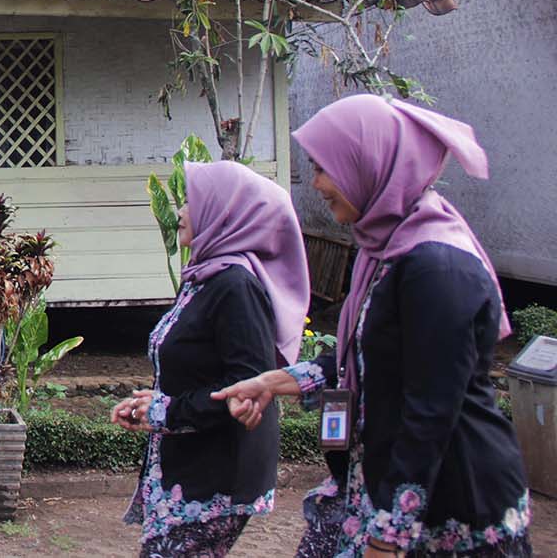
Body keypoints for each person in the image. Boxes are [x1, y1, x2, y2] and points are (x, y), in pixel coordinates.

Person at [213, 95, 532, 558]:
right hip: (383, 495)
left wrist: (388, 536)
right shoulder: (384, 249)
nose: (317, 184)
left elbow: (430, 410)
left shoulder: (436, 265)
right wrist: (274, 381)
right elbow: (364, 355)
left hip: (453, 510)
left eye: (326, 169)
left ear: (371, 163)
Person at [111, 160, 310, 557]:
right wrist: (153, 405)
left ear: (223, 214)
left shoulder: (235, 286)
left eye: (191, 203)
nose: (181, 212)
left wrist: (166, 411)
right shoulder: (204, 278)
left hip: (216, 475)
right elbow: (196, 368)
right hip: (186, 463)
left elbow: (247, 385)